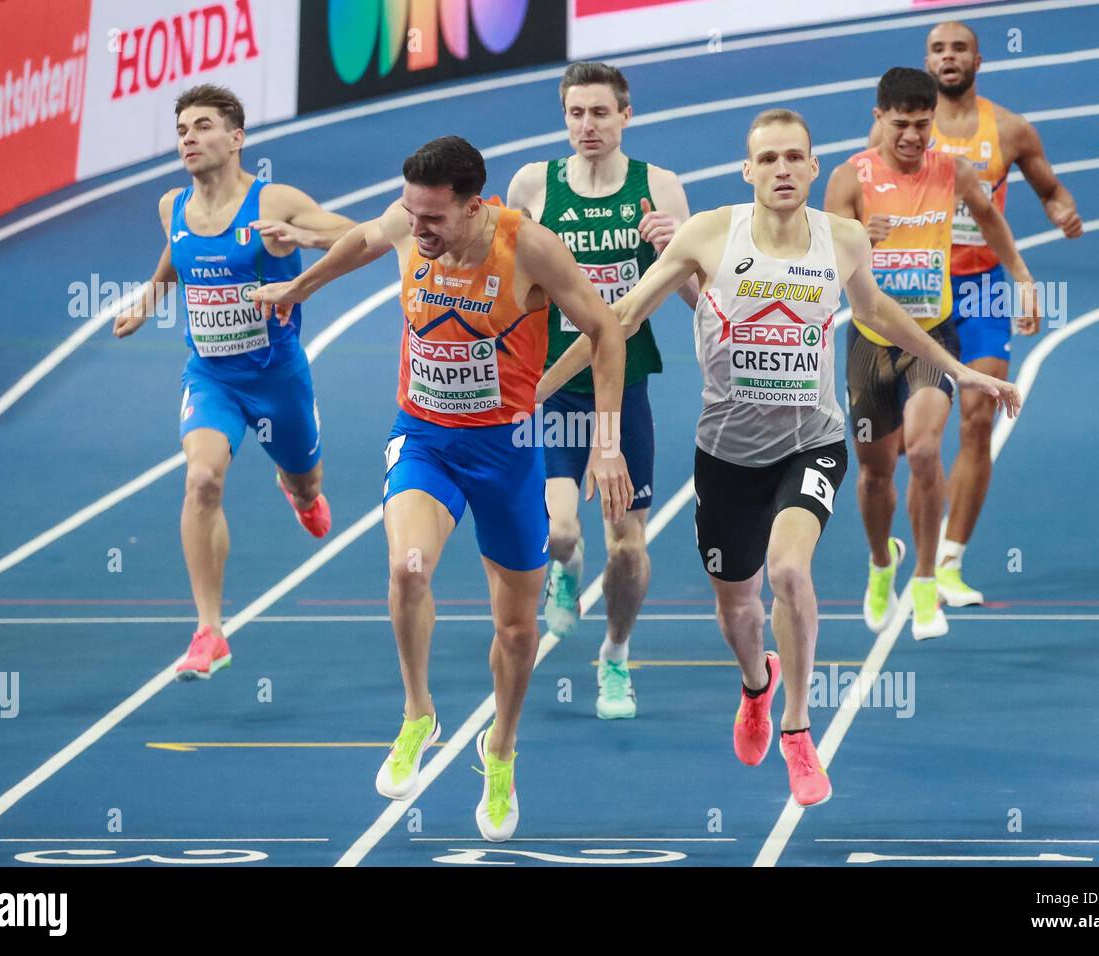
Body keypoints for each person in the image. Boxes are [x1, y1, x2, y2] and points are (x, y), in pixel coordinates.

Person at [538, 108, 1020, 806]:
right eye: (768, 159)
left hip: (811, 444)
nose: (783, 170)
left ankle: (798, 730)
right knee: (739, 611)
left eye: (795, 157)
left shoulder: (844, 239)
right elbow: (619, 321)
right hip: (727, 456)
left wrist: (962, 371)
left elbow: (880, 313)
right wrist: (533, 392)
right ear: (747, 170)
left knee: (790, 572)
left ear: (814, 166)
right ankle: (758, 687)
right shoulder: (710, 233)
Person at [250, 136, 632, 841]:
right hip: (425, 439)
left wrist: (604, 445)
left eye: (431, 219)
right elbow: (362, 241)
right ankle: (418, 712)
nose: (415, 228)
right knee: (407, 566)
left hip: (508, 452)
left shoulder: (530, 248)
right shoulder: (409, 224)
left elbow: (607, 329)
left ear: (474, 205)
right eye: (410, 212)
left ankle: (500, 751)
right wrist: (296, 287)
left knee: (516, 632)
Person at [113, 84, 355, 681]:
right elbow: (178, 254)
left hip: (277, 378)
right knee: (202, 479)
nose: (188, 139)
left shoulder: (275, 199)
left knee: (305, 484)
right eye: (181, 131)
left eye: (201, 127)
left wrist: (301, 238)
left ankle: (298, 492)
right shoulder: (173, 206)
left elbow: (361, 237)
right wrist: (149, 300)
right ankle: (209, 631)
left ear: (236, 138)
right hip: (212, 376)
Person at [507, 61, 698, 720]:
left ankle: (615, 654)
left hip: (624, 391)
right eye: (575, 113)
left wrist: (673, 249)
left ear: (626, 115)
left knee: (628, 549)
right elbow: (511, 288)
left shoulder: (661, 188)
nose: (587, 125)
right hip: (556, 387)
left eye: (600, 113)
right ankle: (565, 570)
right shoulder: (534, 185)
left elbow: (703, 301)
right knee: (561, 532)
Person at [866, 21, 1081, 605]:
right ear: (927, 60)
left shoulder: (1009, 129)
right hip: (915, 287)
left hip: (981, 288)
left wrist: (1062, 212)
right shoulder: (902, 128)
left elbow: (1049, 189)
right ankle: (899, 543)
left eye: (958, 48)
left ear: (978, 59)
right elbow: (871, 191)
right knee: (903, 442)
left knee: (980, 417)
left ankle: (951, 562)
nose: (948, 56)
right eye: (938, 48)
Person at [827, 67, 1038, 641]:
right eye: (902, 126)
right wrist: (856, 242)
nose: (914, 138)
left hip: (932, 339)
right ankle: (880, 562)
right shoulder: (850, 180)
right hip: (871, 345)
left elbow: (991, 220)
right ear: (879, 119)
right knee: (873, 475)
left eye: (923, 126)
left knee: (922, 452)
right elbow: (820, 263)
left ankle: (924, 581)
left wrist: (1021, 277)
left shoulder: (952, 171)